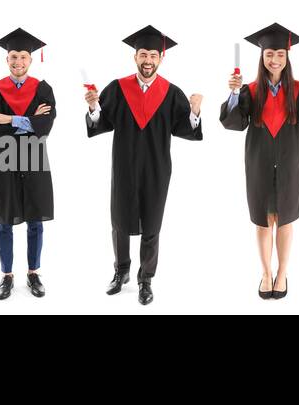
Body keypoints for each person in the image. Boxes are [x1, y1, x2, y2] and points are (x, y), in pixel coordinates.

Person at [85, 25, 203, 305]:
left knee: (152, 223)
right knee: (119, 221)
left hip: (157, 168)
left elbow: (185, 129)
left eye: (152, 55)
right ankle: (121, 271)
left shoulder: (171, 92)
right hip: (124, 165)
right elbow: (102, 122)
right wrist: (92, 107)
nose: (147, 60)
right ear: (134, 57)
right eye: (142, 54)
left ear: (161, 58)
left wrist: (196, 112)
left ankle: (145, 279)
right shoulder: (118, 87)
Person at [219, 23, 299, 300]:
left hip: (290, 164)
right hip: (258, 163)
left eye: (280, 54)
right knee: (264, 220)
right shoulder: (250, 89)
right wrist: (233, 93)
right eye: (270, 54)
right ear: (262, 56)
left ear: (288, 56)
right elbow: (234, 124)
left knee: (286, 219)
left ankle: (283, 273)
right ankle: (266, 273)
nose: (275, 59)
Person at [0, 28, 55, 300]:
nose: (18, 62)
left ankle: (33, 272)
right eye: (13, 57)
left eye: (23, 57)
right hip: (5, 157)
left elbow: (45, 126)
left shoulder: (43, 89)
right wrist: (29, 120)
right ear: (7, 59)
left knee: (35, 219)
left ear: (31, 60)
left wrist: (9, 119)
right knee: (4, 219)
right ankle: (7, 275)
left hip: (35, 157)